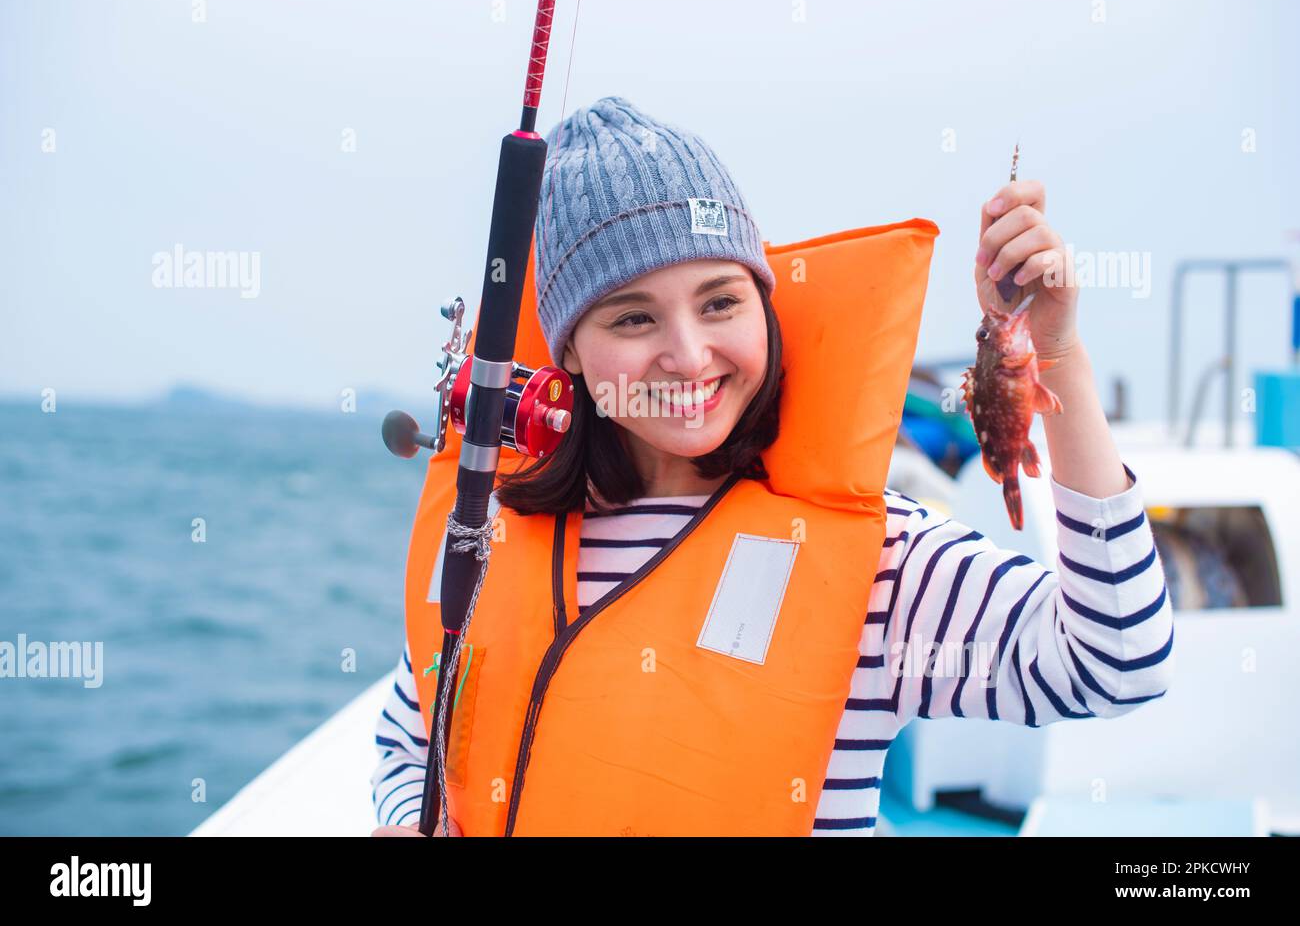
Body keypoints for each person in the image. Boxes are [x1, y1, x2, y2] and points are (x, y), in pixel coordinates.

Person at [370, 96, 1173, 837]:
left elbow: (1117, 662)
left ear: (765, 303)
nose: (688, 354)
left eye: (721, 301)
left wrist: (1057, 352)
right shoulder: (489, 537)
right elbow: (414, 734)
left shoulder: (883, 564)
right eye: (633, 316)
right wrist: (408, 818)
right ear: (571, 351)